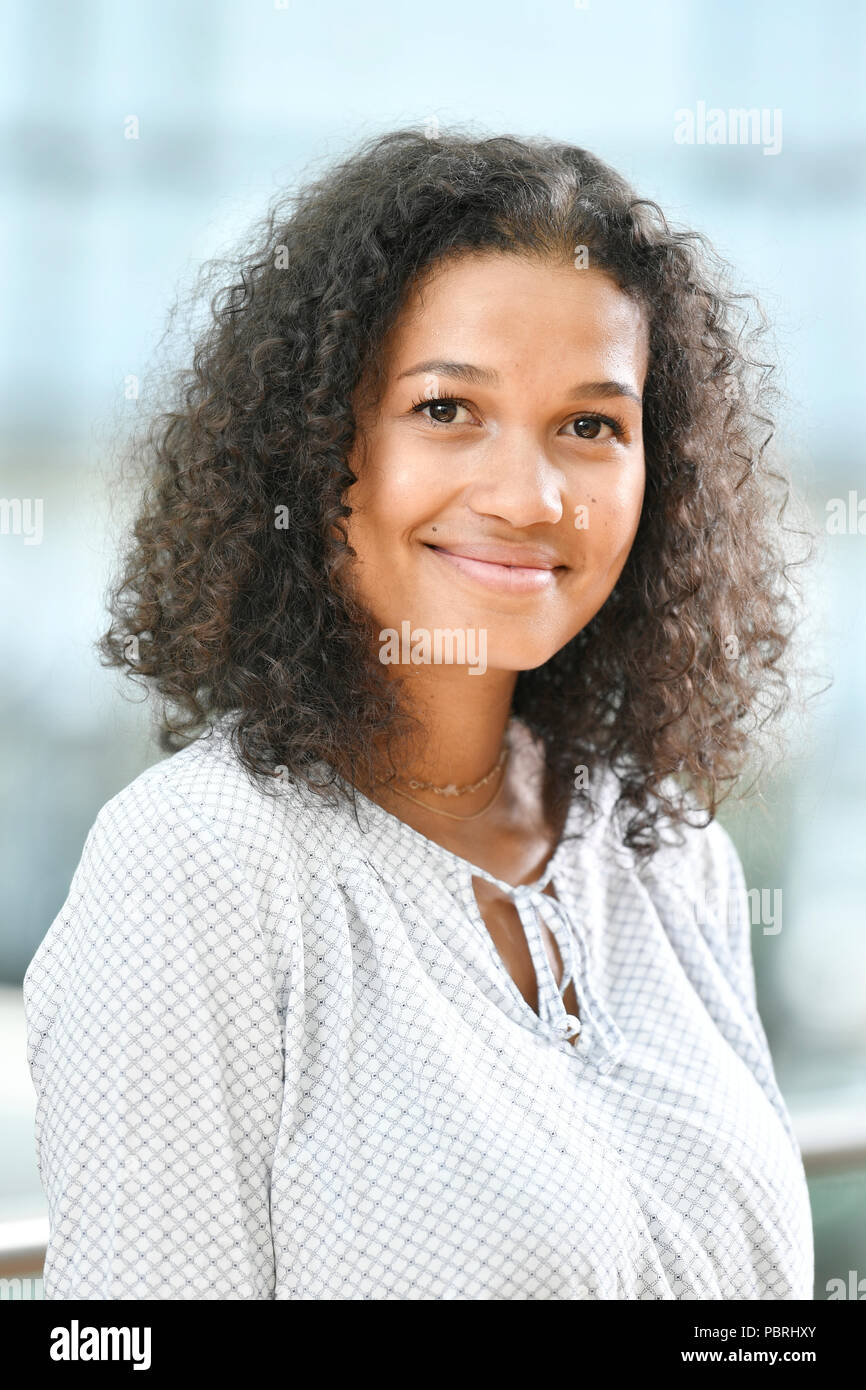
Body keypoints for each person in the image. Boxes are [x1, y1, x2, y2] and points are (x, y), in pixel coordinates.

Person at [23, 126, 815, 1299]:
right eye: (447, 409)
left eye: (591, 425)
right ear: (318, 447)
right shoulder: (198, 869)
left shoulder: (667, 850)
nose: (529, 495)